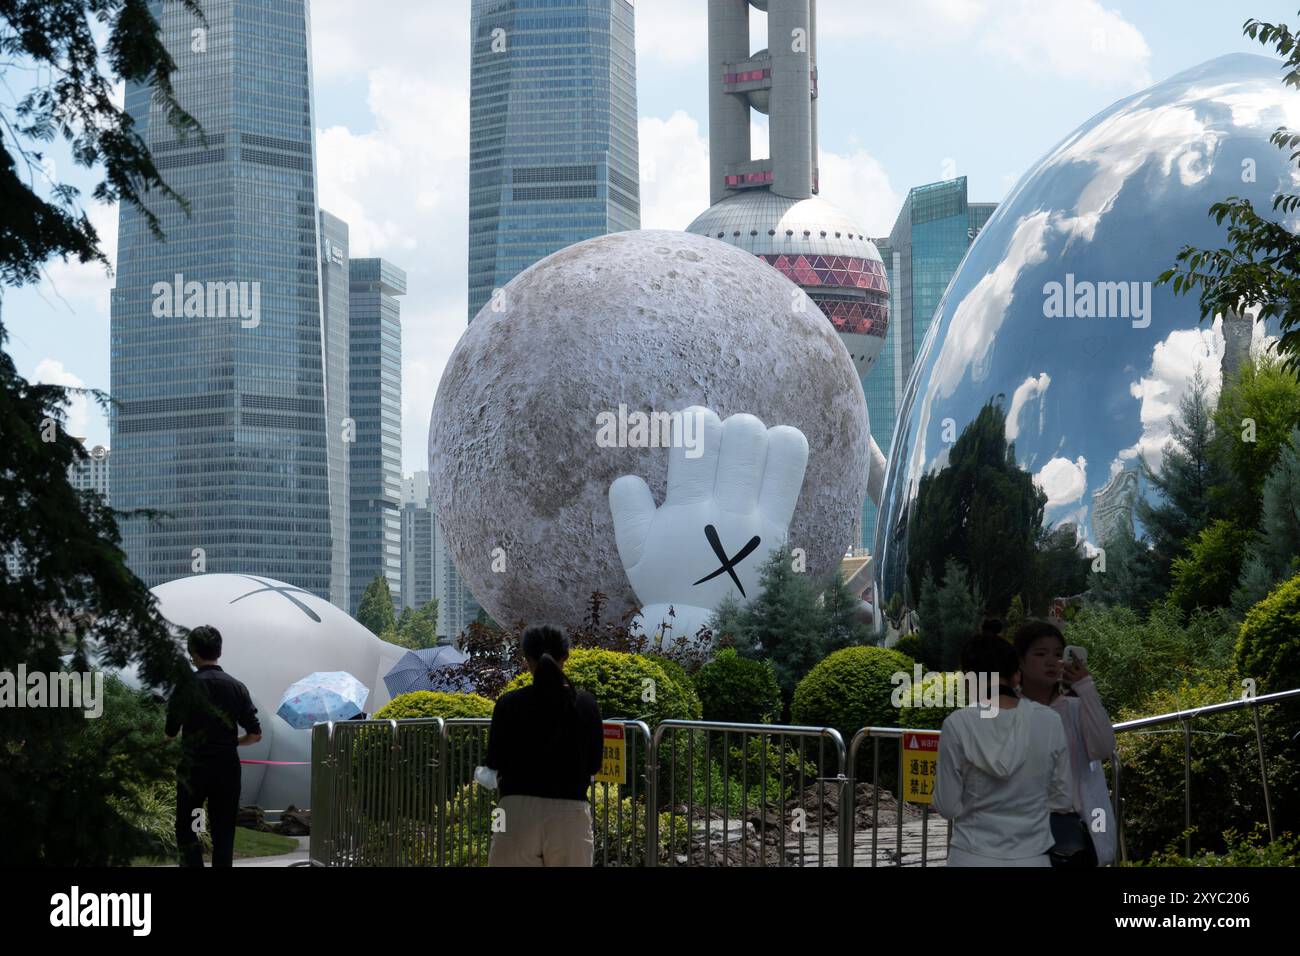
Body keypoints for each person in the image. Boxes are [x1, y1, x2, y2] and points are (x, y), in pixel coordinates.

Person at [933, 635, 1074, 867]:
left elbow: (947, 806)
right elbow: (1063, 799)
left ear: (969, 679)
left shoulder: (957, 723)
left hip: (970, 855)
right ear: (1017, 676)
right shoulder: (1049, 721)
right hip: (1033, 858)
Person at [482, 624, 603, 867]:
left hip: (514, 813)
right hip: (570, 813)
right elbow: (593, 764)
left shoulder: (508, 704)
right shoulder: (586, 704)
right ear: (565, 657)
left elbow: (493, 764)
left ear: (526, 659)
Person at [1013, 620, 1117, 866]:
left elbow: (1103, 748)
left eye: (1059, 654)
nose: (1052, 661)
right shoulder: (1006, 710)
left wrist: (1086, 688)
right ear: (1020, 660)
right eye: (1040, 654)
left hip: (1075, 832)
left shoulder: (1075, 707)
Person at [165, 625, 262, 867]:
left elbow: (170, 733)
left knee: (186, 827)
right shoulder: (236, 687)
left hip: (193, 767)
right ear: (218, 651)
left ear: (193, 653)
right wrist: (233, 742)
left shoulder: (186, 686)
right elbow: (255, 734)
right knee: (223, 830)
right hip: (226, 766)